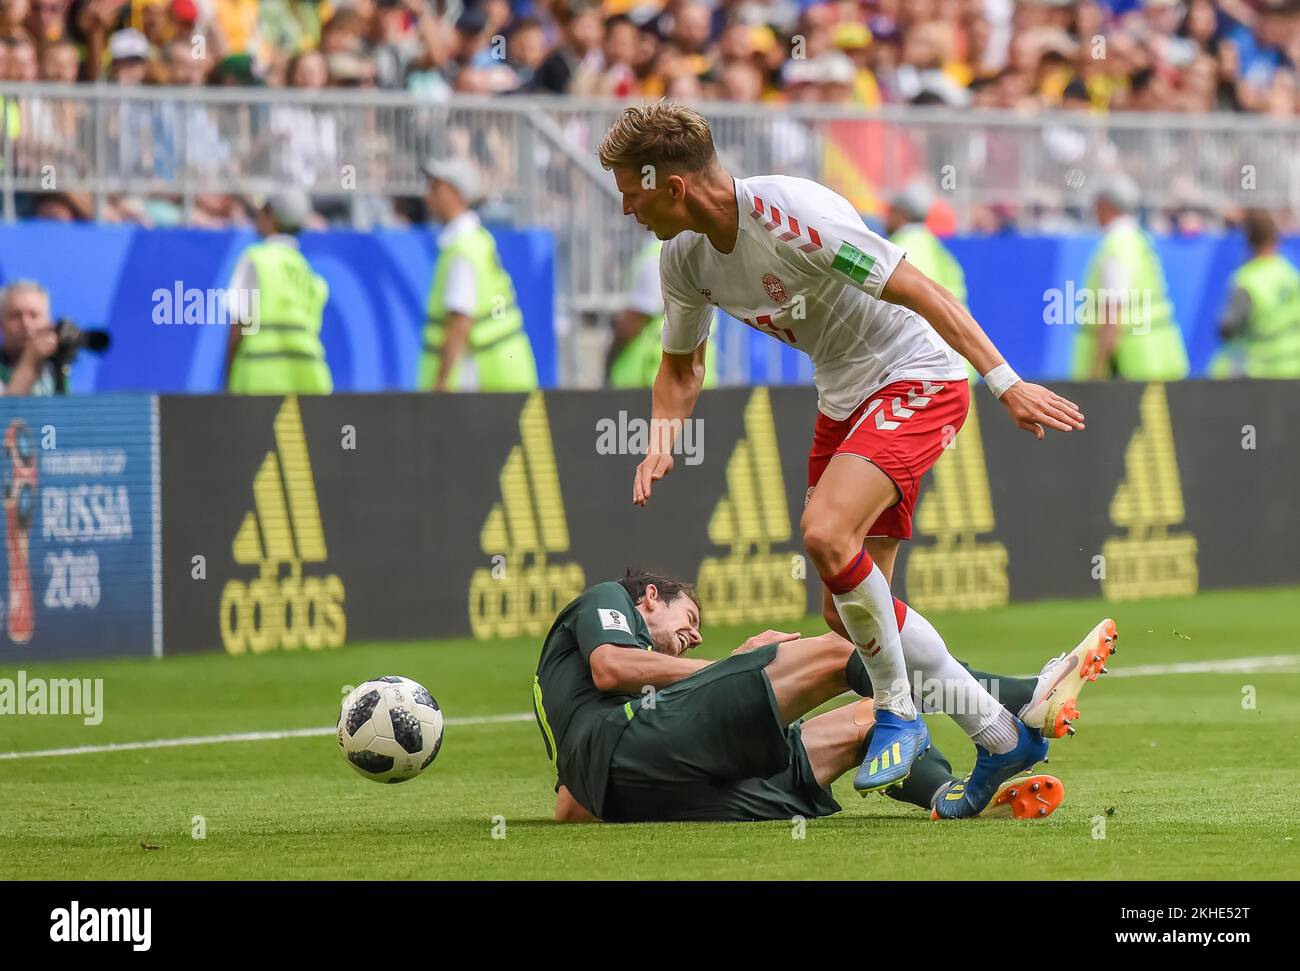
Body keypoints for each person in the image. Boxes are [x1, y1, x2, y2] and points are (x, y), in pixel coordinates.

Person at [597, 102, 1086, 818]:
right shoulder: (684, 259)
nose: (626, 208)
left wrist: (1004, 381)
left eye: (631, 192)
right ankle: (999, 732)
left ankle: (898, 709)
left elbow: (922, 289)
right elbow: (680, 365)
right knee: (846, 610)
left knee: (827, 533)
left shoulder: (793, 215)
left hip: (917, 373)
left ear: (672, 186)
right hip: (844, 396)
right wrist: (662, 437)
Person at [535, 570, 1117, 824]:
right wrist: (733, 667)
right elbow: (612, 666)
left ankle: (948, 796)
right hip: (638, 744)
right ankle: (1019, 695)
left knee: (872, 717)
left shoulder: (571, 718)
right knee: (834, 651)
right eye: (687, 619)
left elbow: (572, 807)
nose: (692, 637)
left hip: (663, 792)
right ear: (648, 599)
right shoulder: (607, 600)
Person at [419, 157, 538, 392]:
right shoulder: (476, 239)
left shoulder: (462, 249)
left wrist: (440, 384)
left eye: (436, 188)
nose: (427, 196)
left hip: (484, 378)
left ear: (456, 193)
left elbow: (460, 322)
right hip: (503, 374)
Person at [1072, 173, 1190, 381]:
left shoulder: (1115, 247)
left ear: (1104, 205)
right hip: (1157, 358)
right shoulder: (1139, 240)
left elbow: (1113, 310)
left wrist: (1097, 367)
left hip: (1128, 366)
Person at [225, 190, 333, 395]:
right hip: (308, 377)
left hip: (259, 377)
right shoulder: (307, 272)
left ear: (271, 216)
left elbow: (239, 325)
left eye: (262, 211)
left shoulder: (256, 259)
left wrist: (228, 376)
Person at [607, 238, 717, 388]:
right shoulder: (701, 252)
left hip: (652, 381)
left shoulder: (659, 256)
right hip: (696, 378)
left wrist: (608, 359)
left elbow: (633, 321)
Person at [1210, 210, 1300, 379]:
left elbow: (1227, 327)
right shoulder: (1290, 273)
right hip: (1295, 366)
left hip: (1263, 369)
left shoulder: (1247, 279)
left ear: (1248, 241)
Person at [0, 280, 60, 396]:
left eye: (34, 315)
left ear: (49, 324)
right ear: (1, 324)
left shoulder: (56, 368)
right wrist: (30, 360)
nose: (25, 323)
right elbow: (10, 411)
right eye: (16, 315)